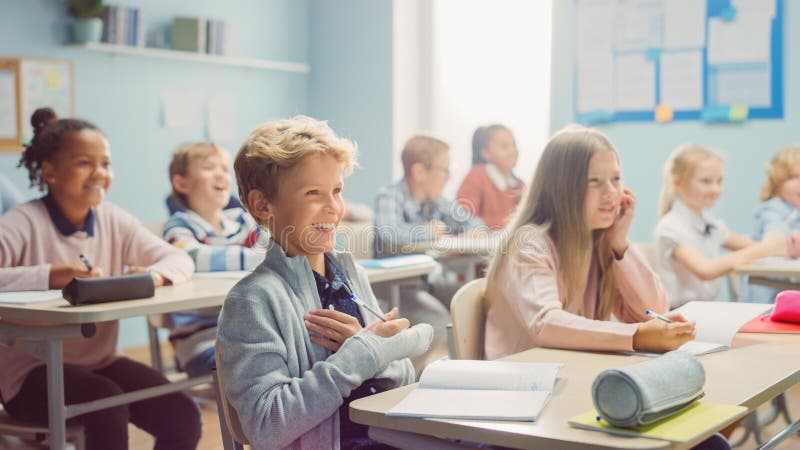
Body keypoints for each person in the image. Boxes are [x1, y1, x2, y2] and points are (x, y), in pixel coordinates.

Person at [216, 115, 433, 449]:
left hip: (385, 436)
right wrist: (359, 357)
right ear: (262, 205)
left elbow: (402, 376)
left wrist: (374, 353)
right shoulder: (252, 302)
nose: (334, 208)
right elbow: (266, 425)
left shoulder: (351, 276)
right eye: (313, 193)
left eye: (337, 190)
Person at [0, 107, 200, 450]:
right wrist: (50, 275)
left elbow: (178, 258)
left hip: (101, 362)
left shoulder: (113, 219)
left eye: (105, 163)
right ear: (49, 171)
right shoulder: (23, 222)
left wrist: (157, 276)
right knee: (105, 403)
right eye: (83, 163)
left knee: (182, 414)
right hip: (28, 376)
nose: (99, 173)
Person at [484, 125, 695, 361]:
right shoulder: (530, 245)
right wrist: (636, 336)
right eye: (594, 181)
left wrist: (619, 244)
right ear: (561, 188)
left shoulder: (599, 241)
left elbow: (652, 311)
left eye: (615, 179)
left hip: (571, 370)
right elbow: (546, 324)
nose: (610, 192)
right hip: (525, 382)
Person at [162, 141, 266, 376]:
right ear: (182, 183)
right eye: (210, 167)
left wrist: (264, 256)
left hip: (250, 328)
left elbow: (273, 249)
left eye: (224, 168)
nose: (221, 174)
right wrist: (255, 258)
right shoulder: (179, 225)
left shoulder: (242, 221)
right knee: (256, 363)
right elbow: (191, 257)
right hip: (201, 337)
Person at [655, 144, 787, 307]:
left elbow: (749, 246)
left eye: (719, 181)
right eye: (706, 181)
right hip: (678, 314)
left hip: (703, 309)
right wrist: (765, 249)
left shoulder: (710, 223)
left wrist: (785, 247)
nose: (716, 189)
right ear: (677, 182)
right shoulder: (670, 226)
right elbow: (706, 270)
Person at [457, 124, 524, 229]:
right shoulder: (476, 176)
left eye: (514, 145)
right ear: (486, 153)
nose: (513, 151)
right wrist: (510, 222)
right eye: (504, 146)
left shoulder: (519, 185)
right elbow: (463, 221)